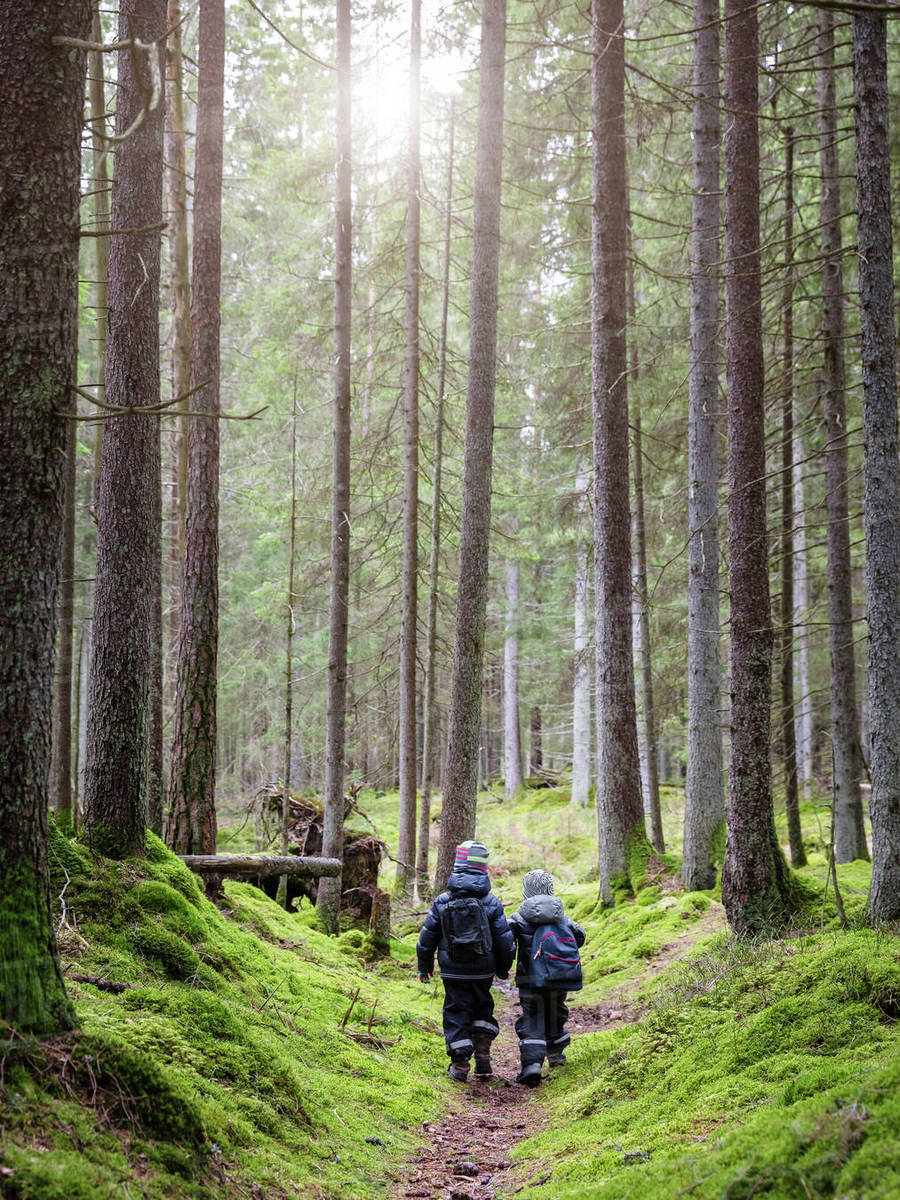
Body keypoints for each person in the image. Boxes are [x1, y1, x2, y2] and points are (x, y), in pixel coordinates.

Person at [416, 840, 515, 1082]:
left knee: (456, 1013)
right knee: (483, 1008)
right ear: (483, 868)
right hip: (483, 971)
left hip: (452, 971)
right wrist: (502, 969)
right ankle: (483, 1055)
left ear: (457, 865)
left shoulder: (442, 901)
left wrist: (424, 969)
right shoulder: (491, 902)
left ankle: (460, 1065)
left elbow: (426, 940)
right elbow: (505, 942)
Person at [507, 869, 585, 1087]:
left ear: (525, 892)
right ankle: (556, 1055)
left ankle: (532, 1065)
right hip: (558, 976)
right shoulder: (561, 916)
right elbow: (580, 936)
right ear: (551, 889)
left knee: (532, 1016)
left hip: (529, 979)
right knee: (556, 1011)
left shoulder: (518, 917)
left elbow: (504, 939)